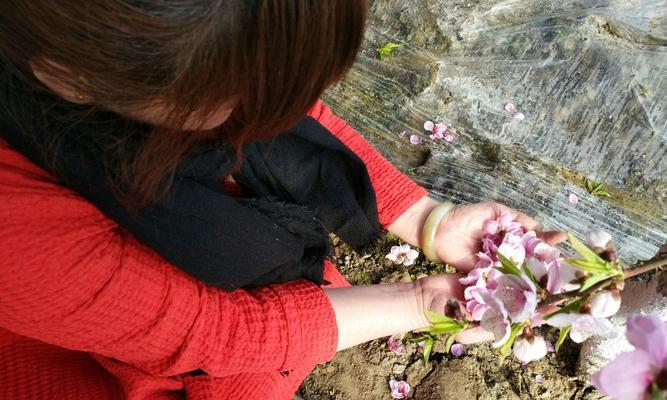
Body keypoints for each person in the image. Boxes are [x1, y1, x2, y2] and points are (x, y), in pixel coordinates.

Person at [0, 1, 564, 399]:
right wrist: (420, 302)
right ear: (76, 81)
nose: (277, 119)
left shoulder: (165, 50)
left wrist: (428, 220)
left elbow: (286, 106)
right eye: (238, 103)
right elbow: (214, 332)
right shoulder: (16, 234)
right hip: (61, 347)